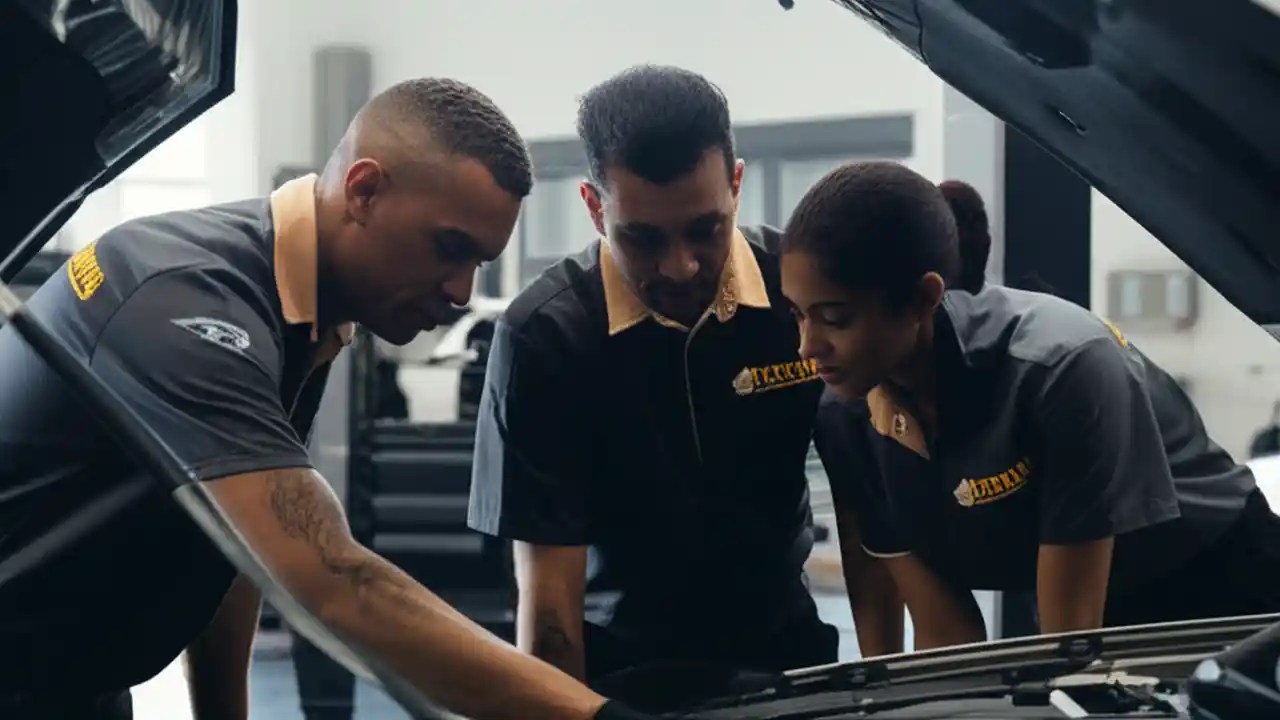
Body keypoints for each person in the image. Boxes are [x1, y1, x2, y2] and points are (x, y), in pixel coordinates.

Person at [0, 77, 655, 720]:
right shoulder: (184, 298)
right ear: (364, 190)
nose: (461, 290)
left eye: (479, 262)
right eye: (449, 248)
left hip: (79, 688)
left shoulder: (304, 319)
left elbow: (233, 547)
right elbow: (338, 579)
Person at [779, 160, 1280, 657]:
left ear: (923, 298)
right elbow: (946, 640)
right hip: (1091, 616)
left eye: (835, 319)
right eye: (798, 315)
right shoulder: (844, 417)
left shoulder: (1060, 367)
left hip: (1230, 591)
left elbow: (1067, 644)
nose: (807, 347)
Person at [468, 65, 837, 704]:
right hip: (621, 678)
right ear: (593, 207)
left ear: (737, 185)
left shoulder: (799, 293)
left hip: (788, 661)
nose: (680, 266)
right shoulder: (544, 337)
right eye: (643, 237)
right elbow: (550, 607)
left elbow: (873, 520)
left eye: (704, 228)